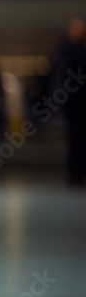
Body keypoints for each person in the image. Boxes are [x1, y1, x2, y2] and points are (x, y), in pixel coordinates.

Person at [51, 18, 86, 186]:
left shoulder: (65, 52)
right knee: (77, 139)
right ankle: (76, 173)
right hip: (75, 103)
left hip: (73, 102)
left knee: (77, 139)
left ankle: (77, 173)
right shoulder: (71, 52)